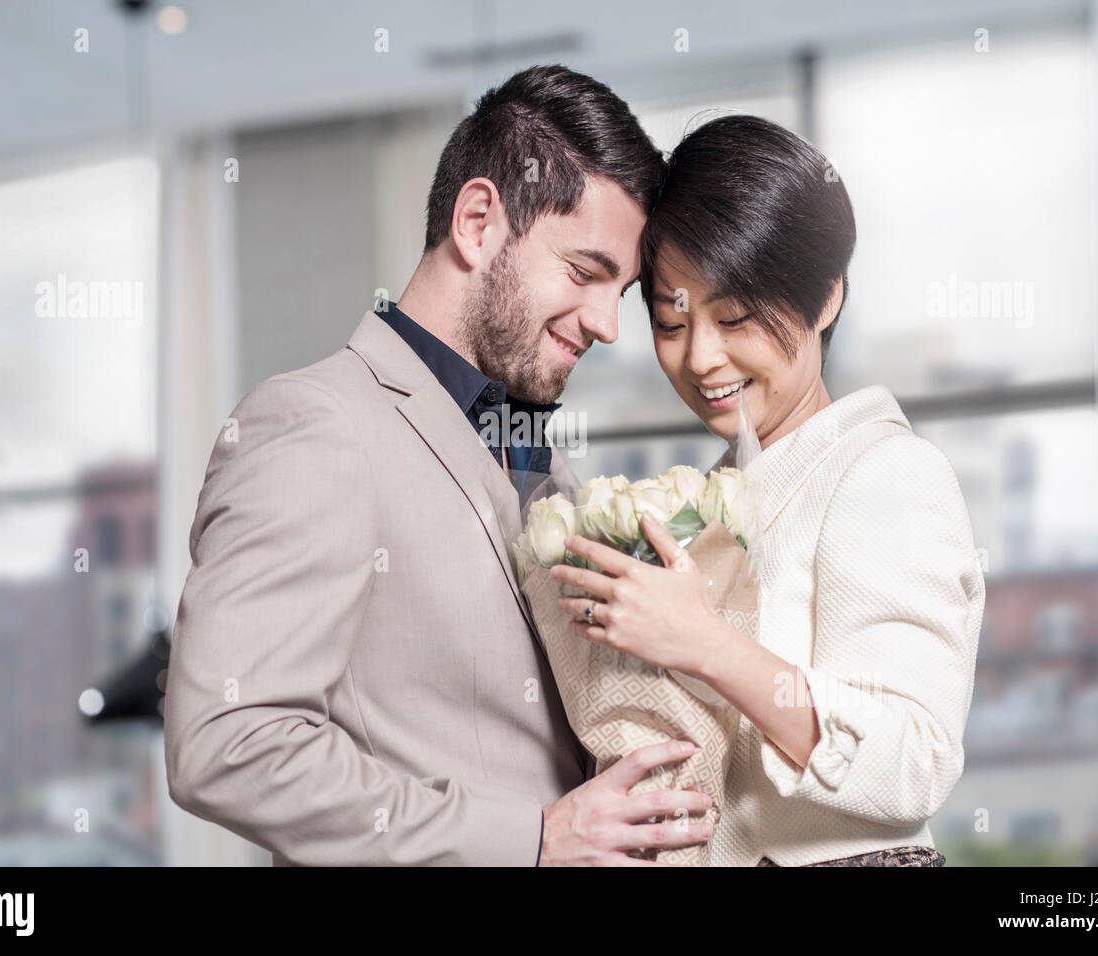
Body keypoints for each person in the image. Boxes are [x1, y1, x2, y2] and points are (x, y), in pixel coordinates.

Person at [163, 64, 715, 866]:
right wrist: (529, 840)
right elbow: (226, 739)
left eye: (620, 291)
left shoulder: (540, 457)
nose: (607, 324)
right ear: (479, 221)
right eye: (586, 273)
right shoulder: (316, 425)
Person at [550, 114, 986, 866]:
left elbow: (914, 759)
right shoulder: (701, 507)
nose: (702, 359)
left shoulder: (885, 475)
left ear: (825, 298)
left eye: (736, 317)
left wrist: (705, 645)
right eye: (670, 323)